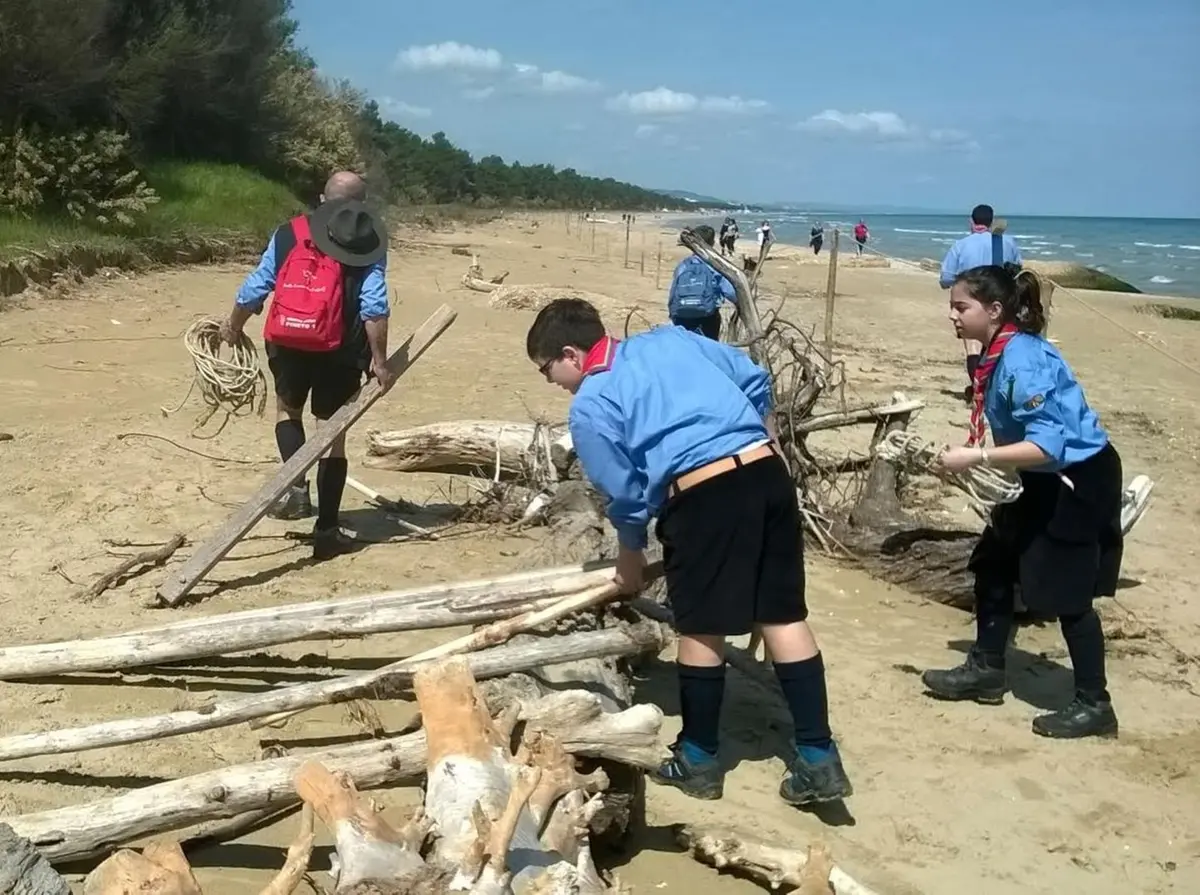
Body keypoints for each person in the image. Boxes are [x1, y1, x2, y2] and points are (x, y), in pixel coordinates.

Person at [525, 298, 853, 805]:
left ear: (571, 354)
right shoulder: (672, 339)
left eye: (549, 370)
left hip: (703, 495)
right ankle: (818, 754)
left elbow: (625, 494)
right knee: (782, 615)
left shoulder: (591, 402)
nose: (554, 382)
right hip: (767, 476)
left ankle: (698, 757)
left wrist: (629, 555)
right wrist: (766, 438)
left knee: (700, 624)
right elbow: (752, 379)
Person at [924, 265, 1122, 739]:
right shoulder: (998, 351)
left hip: (1076, 478)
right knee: (994, 562)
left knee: (1068, 594)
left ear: (994, 311)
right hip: (1040, 477)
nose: (951, 315)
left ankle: (1095, 704)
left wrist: (978, 456)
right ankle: (987, 669)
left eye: (961, 307)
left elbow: (1049, 446)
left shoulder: (1023, 359)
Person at [221, 171, 395, 560]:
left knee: (287, 410)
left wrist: (233, 325)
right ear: (362, 204)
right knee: (333, 436)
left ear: (321, 198)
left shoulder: (288, 232)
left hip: (287, 340)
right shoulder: (369, 241)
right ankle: (327, 531)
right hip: (342, 350)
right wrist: (380, 363)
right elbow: (374, 306)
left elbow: (257, 285)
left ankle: (297, 490)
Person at [940, 204, 1023, 403]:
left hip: (972, 301)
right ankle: (989, 389)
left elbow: (945, 278)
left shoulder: (961, 245)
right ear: (992, 222)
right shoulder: (1007, 242)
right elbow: (1018, 269)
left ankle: (981, 391)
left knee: (973, 347)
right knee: (998, 345)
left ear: (971, 222)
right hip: (1000, 302)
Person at [668, 225, 736, 340]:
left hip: (682, 314)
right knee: (707, 347)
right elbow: (730, 292)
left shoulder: (684, 265)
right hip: (707, 316)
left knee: (686, 345)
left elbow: (673, 291)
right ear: (712, 243)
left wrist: (672, 312)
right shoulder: (715, 266)